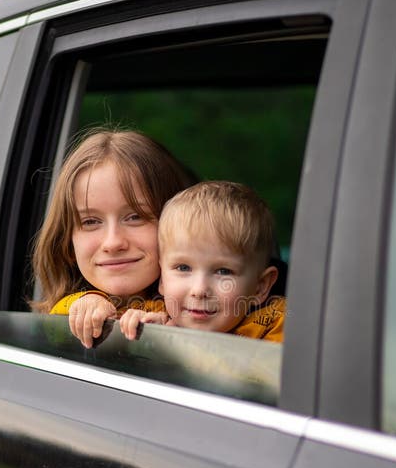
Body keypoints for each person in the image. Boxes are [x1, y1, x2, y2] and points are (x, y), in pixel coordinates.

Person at [32, 127, 193, 347]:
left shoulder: (219, 309)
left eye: (135, 217)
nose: (113, 242)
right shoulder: (64, 313)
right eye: (90, 222)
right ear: (67, 244)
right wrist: (84, 306)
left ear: (179, 225)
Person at [120, 180, 286, 342]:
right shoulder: (152, 312)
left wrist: (177, 342)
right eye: (183, 268)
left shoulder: (276, 322)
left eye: (223, 271)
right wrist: (146, 332)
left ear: (260, 286)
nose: (199, 290)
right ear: (162, 278)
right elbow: (101, 321)